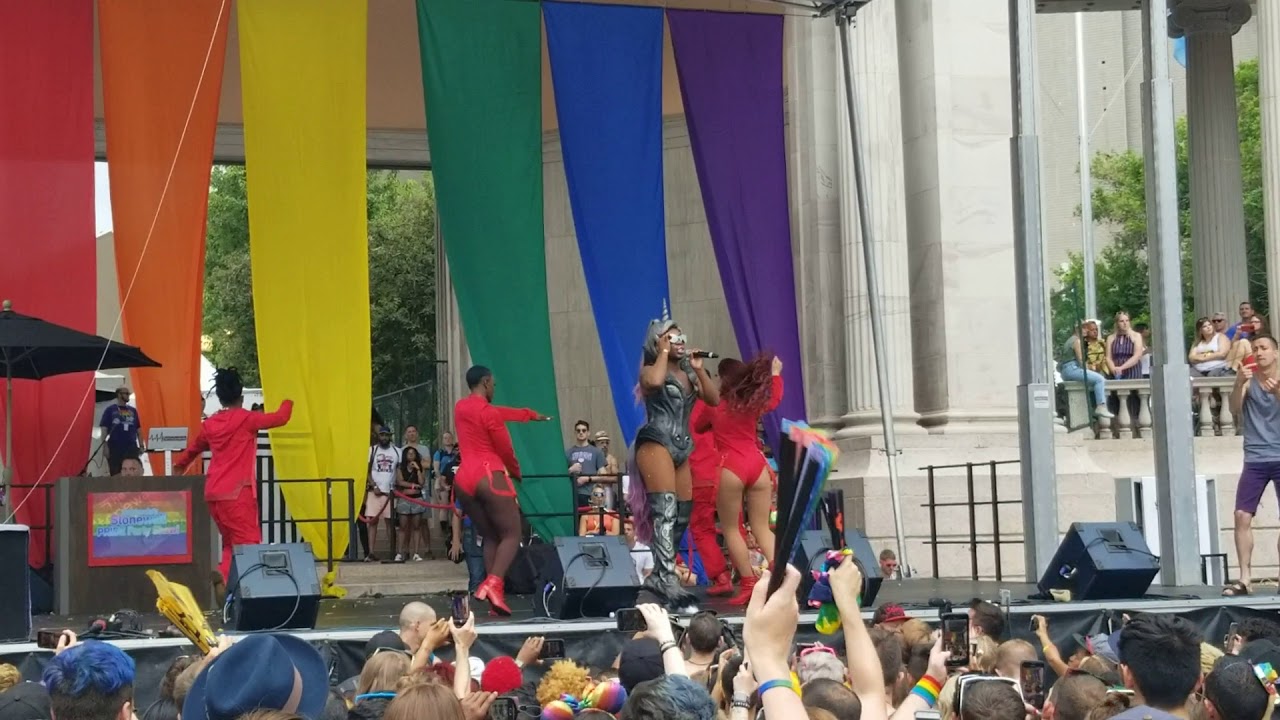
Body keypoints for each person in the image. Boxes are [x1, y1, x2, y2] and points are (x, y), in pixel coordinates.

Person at [626, 317, 719, 612]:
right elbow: (653, 382)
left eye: (681, 337)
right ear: (658, 342)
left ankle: (661, 571)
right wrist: (664, 353)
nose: (679, 342)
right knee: (664, 510)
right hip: (656, 442)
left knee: (682, 512)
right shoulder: (651, 370)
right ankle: (666, 577)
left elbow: (713, 399)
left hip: (681, 446)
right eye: (672, 338)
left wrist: (699, 370)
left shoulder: (687, 372)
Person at [174, 368, 293, 582]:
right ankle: (226, 576)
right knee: (250, 542)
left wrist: (179, 466)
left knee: (231, 543)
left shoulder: (209, 425)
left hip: (213, 493)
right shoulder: (248, 420)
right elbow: (281, 418)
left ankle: (224, 575)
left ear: (219, 398)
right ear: (242, 396)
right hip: (238, 493)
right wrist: (289, 398)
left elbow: (193, 449)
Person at [452, 365, 551, 615]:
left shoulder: (461, 407)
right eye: (493, 384)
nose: (494, 387)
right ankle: (495, 584)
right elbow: (506, 449)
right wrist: (516, 472)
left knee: (491, 536)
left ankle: (494, 598)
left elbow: (493, 412)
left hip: (464, 477)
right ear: (486, 382)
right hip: (489, 474)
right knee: (512, 534)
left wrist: (527, 414)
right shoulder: (489, 413)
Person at [708, 353, 783, 605]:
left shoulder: (716, 405)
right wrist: (775, 376)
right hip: (757, 465)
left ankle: (749, 583)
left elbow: (697, 426)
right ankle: (780, 578)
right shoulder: (752, 403)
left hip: (731, 465)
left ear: (722, 379)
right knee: (762, 527)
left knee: (731, 528)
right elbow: (774, 399)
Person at [1225, 334, 1280, 597]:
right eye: (1256, 348)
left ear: (1276, 353)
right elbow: (1235, 409)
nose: (1259, 353)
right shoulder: (1248, 379)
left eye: (1264, 348)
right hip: (1255, 456)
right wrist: (1238, 383)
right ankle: (1245, 578)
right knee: (1241, 515)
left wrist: (1278, 392)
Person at [689, 394, 732, 596]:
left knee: (701, 528)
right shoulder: (721, 403)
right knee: (735, 527)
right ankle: (751, 577)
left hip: (701, 474)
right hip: (729, 471)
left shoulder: (684, 407)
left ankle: (722, 577)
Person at [1060, 320, 1115, 420]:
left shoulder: (1069, 340)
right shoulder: (1076, 340)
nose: (1086, 330)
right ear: (1078, 329)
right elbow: (1080, 360)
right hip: (1072, 368)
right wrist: (1091, 368)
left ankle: (1092, 411)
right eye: (1084, 328)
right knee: (1099, 379)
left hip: (1066, 369)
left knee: (1091, 384)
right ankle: (1101, 406)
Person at [394, 446, 431, 562]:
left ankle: (416, 552)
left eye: (413, 453)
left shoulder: (419, 467)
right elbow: (399, 481)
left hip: (417, 499)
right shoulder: (400, 467)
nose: (410, 455)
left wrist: (418, 469)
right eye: (408, 453)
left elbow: (422, 482)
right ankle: (400, 552)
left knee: (417, 526)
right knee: (403, 526)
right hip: (404, 499)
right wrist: (412, 486)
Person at [99, 386, 142, 476]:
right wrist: (105, 446)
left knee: (133, 469)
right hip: (115, 446)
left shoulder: (133, 410)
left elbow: (139, 429)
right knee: (116, 471)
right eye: (126, 394)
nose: (128, 395)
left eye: (128, 394)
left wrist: (141, 445)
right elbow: (104, 429)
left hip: (131, 445)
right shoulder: (110, 410)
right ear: (119, 395)